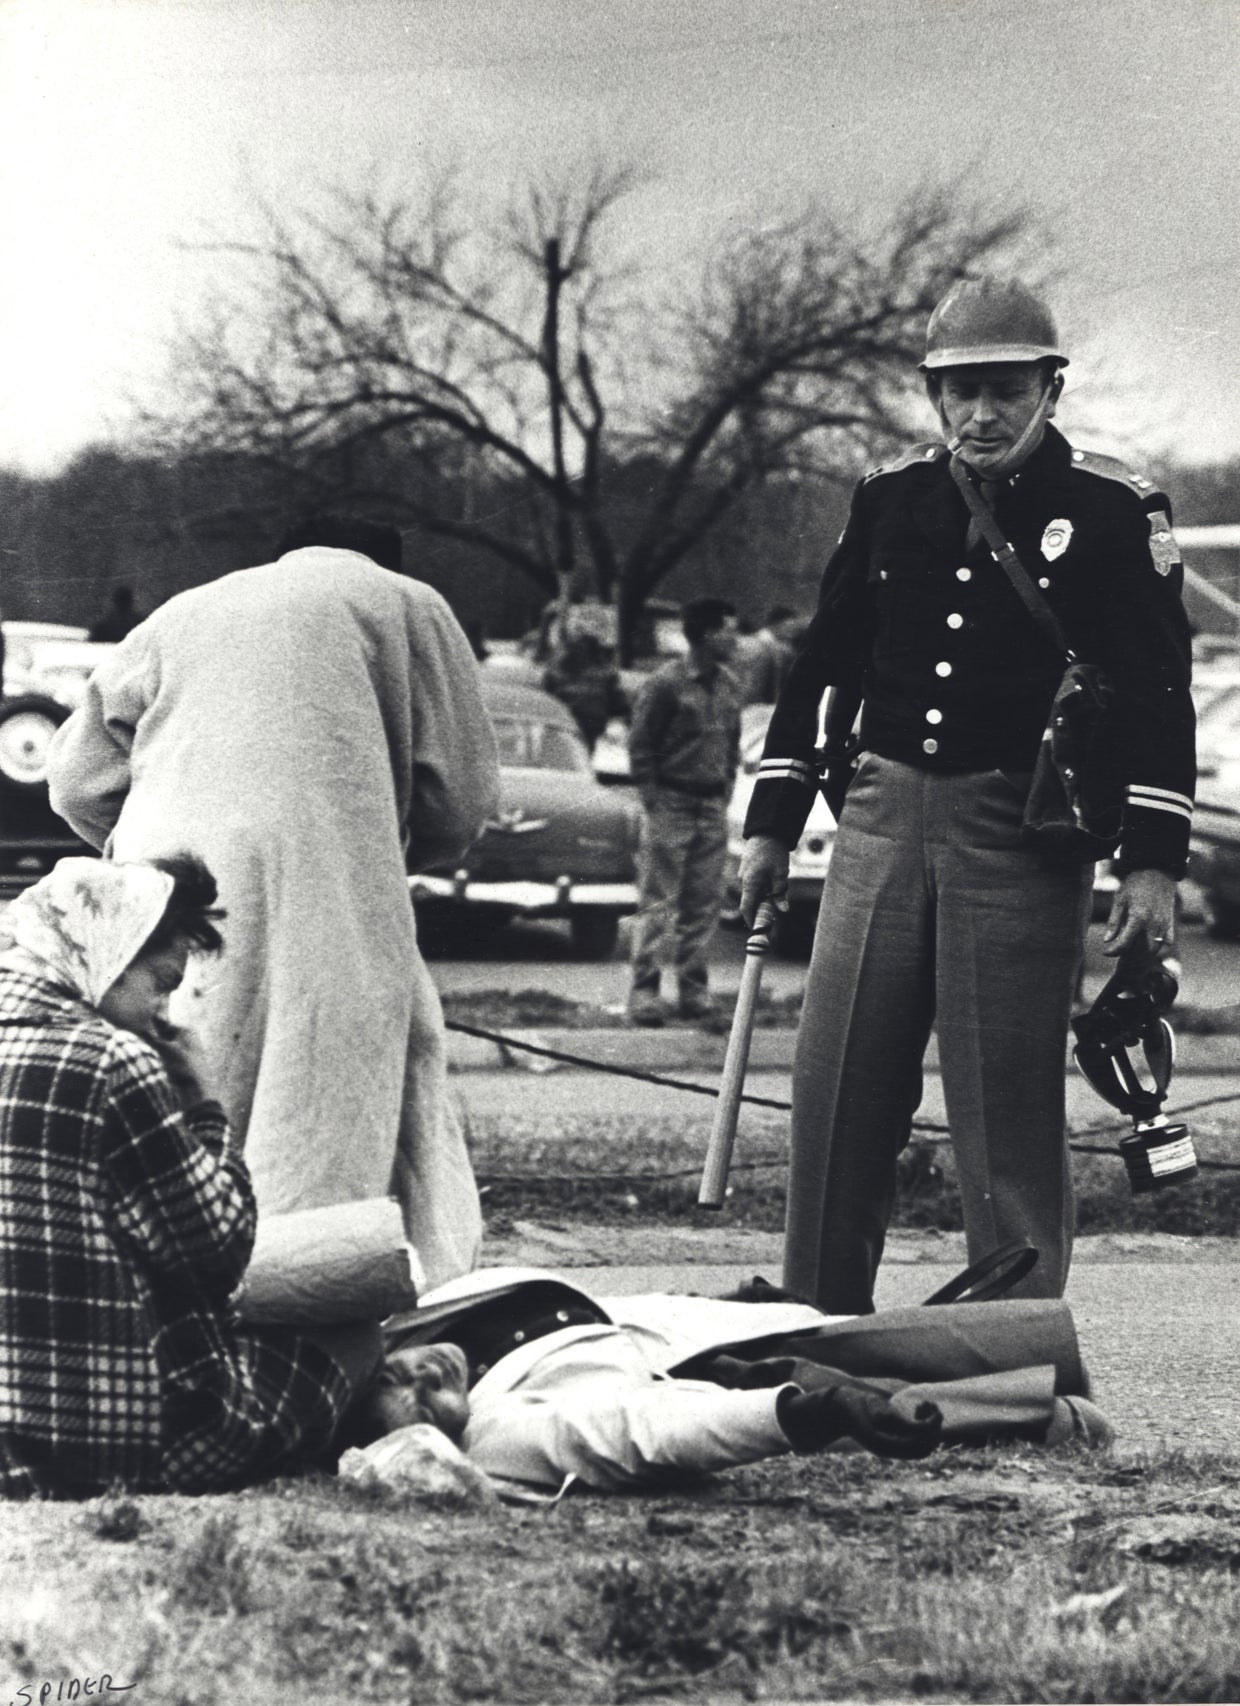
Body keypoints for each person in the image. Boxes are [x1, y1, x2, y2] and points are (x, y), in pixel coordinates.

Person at [739, 276, 1196, 1315]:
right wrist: (772, 824)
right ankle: (819, 1323)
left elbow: (1156, 691)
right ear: (932, 396)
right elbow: (823, 665)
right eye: (958, 391)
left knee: (1002, 1106)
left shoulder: (1114, 511)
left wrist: (1151, 860)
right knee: (838, 1084)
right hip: (879, 817)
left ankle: (1012, 1343)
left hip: (1020, 829)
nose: (979, 414)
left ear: (1048, 388)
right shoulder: (889, 498)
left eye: (1002, 389)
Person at [45, 513, 500, 1290]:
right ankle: (320, 1302)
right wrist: (377, 850)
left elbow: (75, 782)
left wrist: (147, 854)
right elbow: (459, 802)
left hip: (165, 883)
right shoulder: (409, 604)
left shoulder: (186, 610)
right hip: (327, 875)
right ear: (383, 561)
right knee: (322, 1097)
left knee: (180, 1077)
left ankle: (167, 1287)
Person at [0, 856, 378, 1498]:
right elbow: (218, 1252)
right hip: (116, 1449)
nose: (163, 1010)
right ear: (109, 956)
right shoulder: (115, 1063)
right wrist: (204, 1104)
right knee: (357, 1336)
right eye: (162, 982)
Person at [371, 1266, 1108, 1497]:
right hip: (700, 1379)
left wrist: (721, 1302)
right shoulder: (505, 1432)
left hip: (686, 1330)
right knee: (861, 1386)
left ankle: (1025, 1392)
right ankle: (1032, 1414)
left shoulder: (420, 1316)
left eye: (392, 1378)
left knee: (957, 1336)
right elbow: (640, 1430)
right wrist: (805, 1412)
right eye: (420, 1409)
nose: (422, 1379)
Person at [627, 597, 743, 1025]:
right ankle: (645, 993)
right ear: (706, 633)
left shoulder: (730, 683)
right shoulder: (666, 683)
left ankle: (695, 994)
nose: (734, 638)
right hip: (672, 802)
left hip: (711, 803)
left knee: (704, 903)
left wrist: (725, 787)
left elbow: (731, 743)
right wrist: (652, 799)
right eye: (727, 629)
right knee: (660, 902)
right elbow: (641, 745)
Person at [542, 630, 630, 751]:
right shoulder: (606, 674)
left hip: (561, 724)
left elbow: (545, 700)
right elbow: (619, 705)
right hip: (591, 725)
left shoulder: (556, 673)